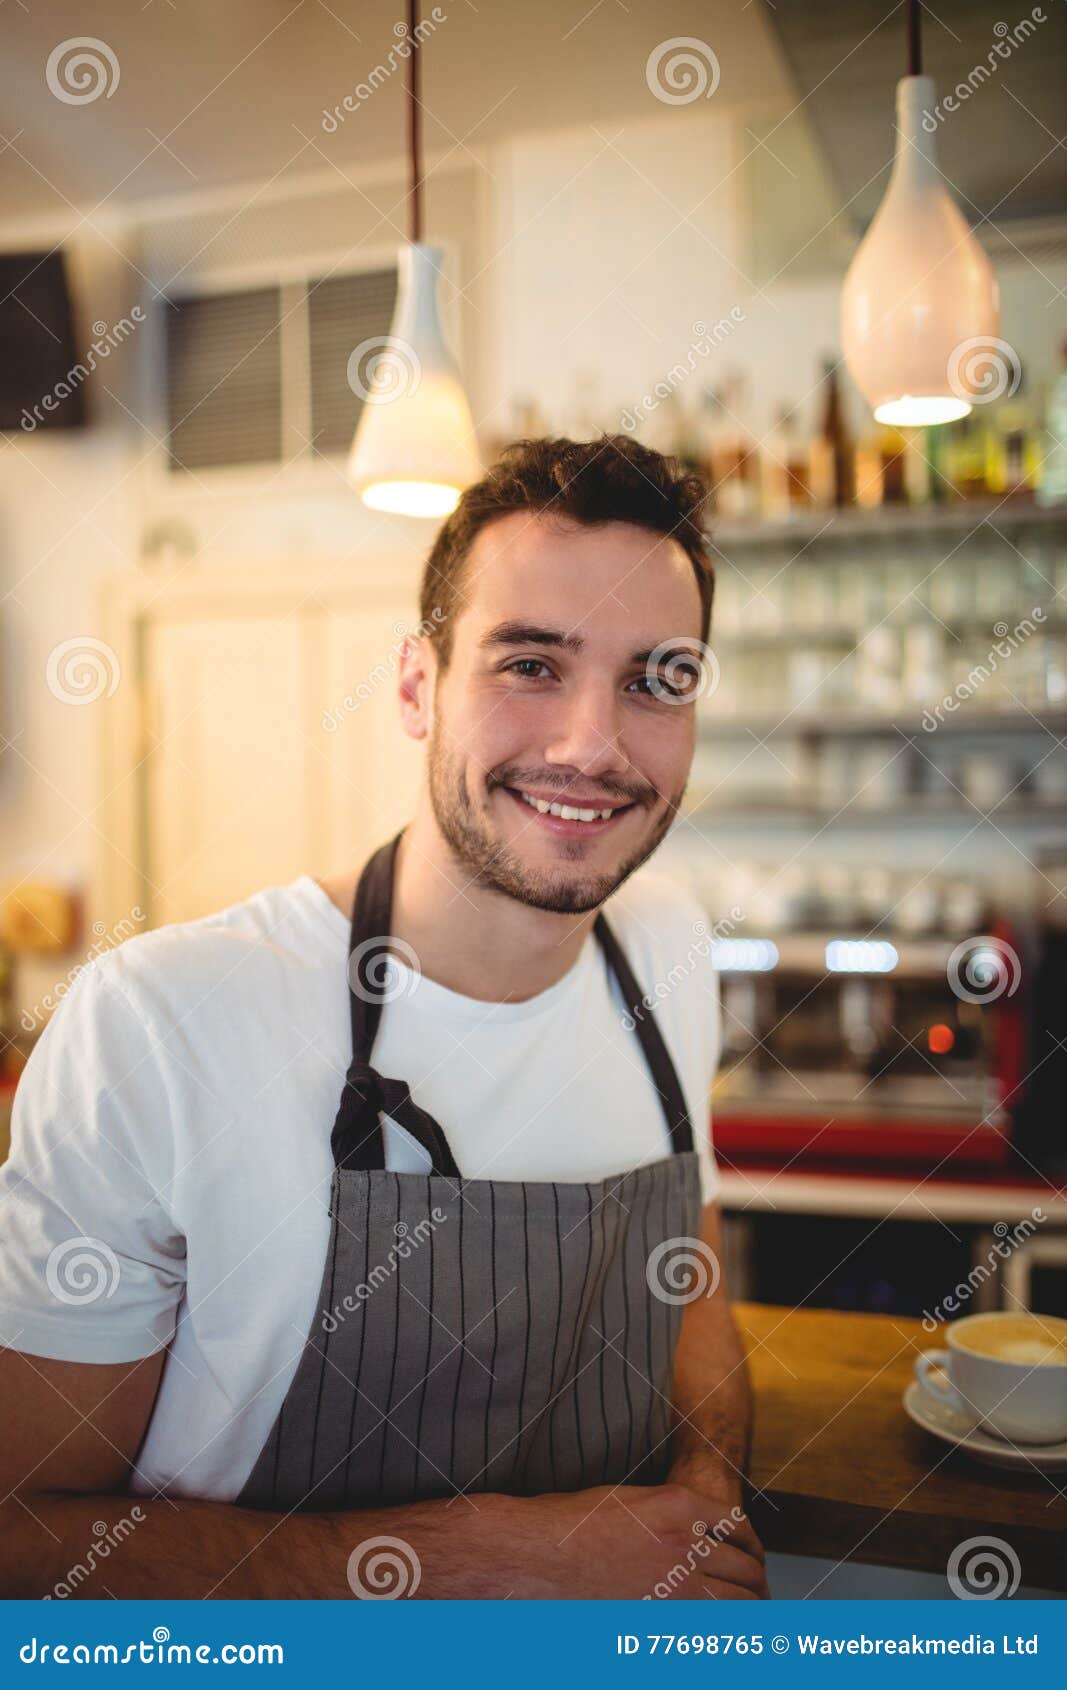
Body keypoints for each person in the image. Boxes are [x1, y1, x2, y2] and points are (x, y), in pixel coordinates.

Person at [0, 434, 767, 1600]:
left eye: (657, 676)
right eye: (529, 664)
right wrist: (480, 1561)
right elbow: (24, 1542)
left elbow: (690, 1274)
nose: (593, 746)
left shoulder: (665, 946)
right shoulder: (164, 1023)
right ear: (416, 685)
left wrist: (705, 1499)